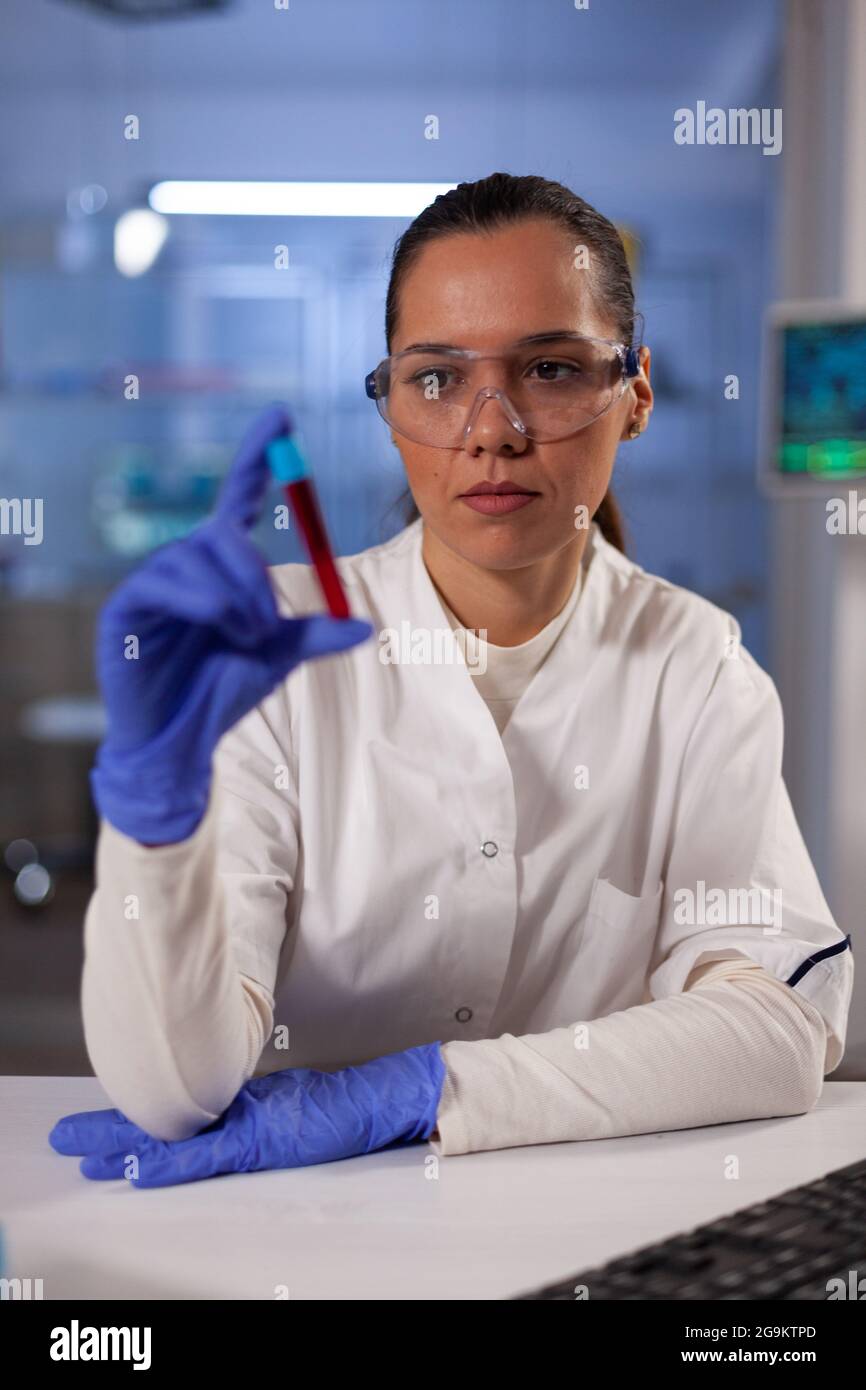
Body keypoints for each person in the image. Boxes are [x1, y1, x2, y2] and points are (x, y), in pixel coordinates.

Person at [50, 173, 852, 1187]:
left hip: (575, 1239)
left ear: (633, 394)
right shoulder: (271, 652)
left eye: (550, 368)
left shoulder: (694, 670)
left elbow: (773, 1028)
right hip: (292, 1243)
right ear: (389, 404)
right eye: (435, 377)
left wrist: (426, 1089)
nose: (491, 427)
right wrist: (151, 823)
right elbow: (173, 1093)